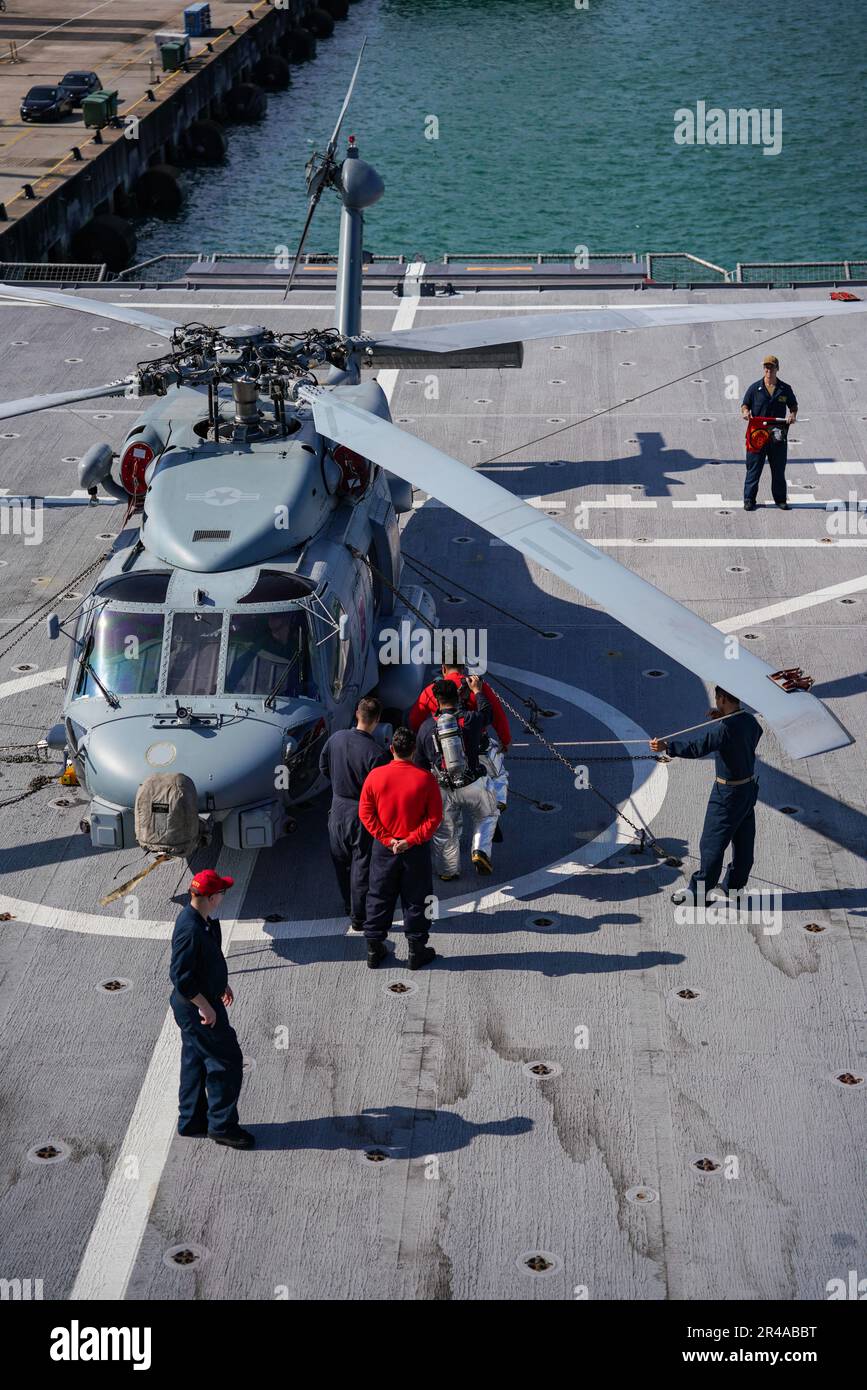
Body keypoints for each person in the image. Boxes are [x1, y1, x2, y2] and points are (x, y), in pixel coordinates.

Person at [650, 688, 762, 905]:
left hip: (727, 794)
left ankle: (699, 892)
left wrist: (667, 746)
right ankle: (734, 888)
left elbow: (697, 748)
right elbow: (753, 735)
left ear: (722, 699)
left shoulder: (724, 730)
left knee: (712, 844)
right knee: (744, 842)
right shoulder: (749, 721)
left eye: (717, 699)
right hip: (748, 790)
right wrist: (725, 719)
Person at [169, 869, 253, 1150]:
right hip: (197, 1008)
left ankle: (192, 1119)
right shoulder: (190, 930)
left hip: (202, 1000)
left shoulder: (199, 919)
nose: (222, 897)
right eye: (221, 893)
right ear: (212, 897)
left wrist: (220, 985)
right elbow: (181, 977)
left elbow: (203, 964)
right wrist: (206, 1007)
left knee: (195, 1058)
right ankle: (222, 1126)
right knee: (226, 1062)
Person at [358, 726, 443, 970]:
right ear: (414, 750)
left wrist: (387, 840)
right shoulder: (426, 779)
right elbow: (434, 818)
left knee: (378, 896)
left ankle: (374, 949)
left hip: (385, 850)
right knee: (418, 899)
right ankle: (417, 950)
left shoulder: (375, 776)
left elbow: (365, 813)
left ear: (392, 749)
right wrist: (411, 840)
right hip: (414, 851)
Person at [414, 675, 499, 878]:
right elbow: (488, 714)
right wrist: (477, 691)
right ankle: (480, 850)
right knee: (488, 814)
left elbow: (420, 764)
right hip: (472, 783)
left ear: (436, 699)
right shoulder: (470, 719)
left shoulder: (426, 728)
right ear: (456, 696)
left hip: (443, 787)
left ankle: (448, 871)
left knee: (445, 832)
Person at [318, 695, 389, 932]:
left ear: (357, 714)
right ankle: (358, 916)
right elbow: (381, 790)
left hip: (336, 809)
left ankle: (347, 903)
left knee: (340, 861)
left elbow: (323, 767)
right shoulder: (376, 754)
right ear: (376, 720)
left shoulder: (336, 739)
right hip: (361, 814)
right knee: (361, 865)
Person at [408, 657, 511, 813]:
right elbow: (496, 715)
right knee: (498, 773)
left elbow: (414, 721)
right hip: (477, 751)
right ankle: (495, 808)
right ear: (463, 667)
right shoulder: (476, 687)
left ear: (443, 668)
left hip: (441, 756)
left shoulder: (430, 691)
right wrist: (505, 740)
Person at [741, 354, 798, 511]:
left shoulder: (785, 389)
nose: (768, 370)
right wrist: (745, 412)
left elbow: (793, 406)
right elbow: (745, 405)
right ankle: (749, 499)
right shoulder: (755, 388)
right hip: (757, 433)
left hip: (777, 433)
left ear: (777, 369)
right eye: (766, 367)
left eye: (771, 367)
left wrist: (792, 415)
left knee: (778, 468)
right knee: (754, 467)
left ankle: (780, 499)